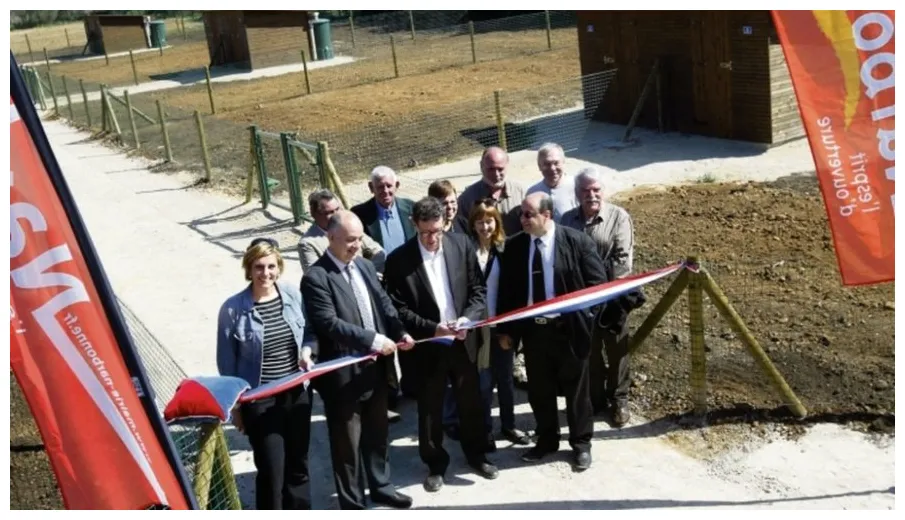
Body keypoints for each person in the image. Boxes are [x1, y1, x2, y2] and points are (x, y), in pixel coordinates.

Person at [383, 197, 500, 493]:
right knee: (430, 410)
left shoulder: (461, 246)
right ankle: (435, 463)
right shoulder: (399, 260)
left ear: (445, 224)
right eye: (424, 233)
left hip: (463, 342)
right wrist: (432, 328)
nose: (431, 239)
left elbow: (477, 291)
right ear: (414, 226)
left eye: (436, 231)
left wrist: (467, 319)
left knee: (470, 403)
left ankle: (476, 455)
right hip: (428, 348)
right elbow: (398, 309)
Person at [300, 211, 415, 510]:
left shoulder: (363, 266)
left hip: (376, 370)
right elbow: (327, 322)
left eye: (359, 239)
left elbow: (384, 303)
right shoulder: (316, 277)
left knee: (378, 434)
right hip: (343, 377)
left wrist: (399, 330)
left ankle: (381, 486)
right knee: (346, 446)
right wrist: (372, 339)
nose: (356, 245)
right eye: (350, 240)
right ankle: (352, 504)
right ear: (331, 237)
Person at [496, 193, 610, 471]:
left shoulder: (577, 242)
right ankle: (546, 440)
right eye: (521, 213)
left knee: (577, 392)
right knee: (540, 391)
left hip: (568, 331)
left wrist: (586, 321)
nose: (522, 219)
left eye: (528, 214)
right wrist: (506, 330)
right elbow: (508, 293)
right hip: (535, 334)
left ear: (546, 215)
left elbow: (598, 287)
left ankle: (581, 444)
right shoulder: (515, 247)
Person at [216, 237, 317, 510]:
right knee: (273, 471)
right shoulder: (233, 309)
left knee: (298, 466)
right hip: (261, 401)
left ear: (279, 267)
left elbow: (309, 332)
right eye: (259, 267)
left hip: (297, 394)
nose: (266, 273)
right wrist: (236, 408)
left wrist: (307, 351)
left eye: (271, 266)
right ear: (249, 269)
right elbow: (227, 365)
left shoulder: (292, 296)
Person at [561, 167, 641, 426]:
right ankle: (595, 398)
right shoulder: (566, 220)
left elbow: (621, 261)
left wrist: (602, 293)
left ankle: (619, 398)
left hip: (614, 298)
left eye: (596, 189)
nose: (591, 195)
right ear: (576, 193)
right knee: (589, 349)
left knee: (618, 349)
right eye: (585, 190)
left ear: (602, 191)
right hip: (581, 300)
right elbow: (563, 259)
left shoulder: (619, 218)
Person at [350, 166, 418, 409]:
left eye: (389, 186)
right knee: (385, 337)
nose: (385, 191)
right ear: (371, 188)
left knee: (409, 333)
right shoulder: (359, 215)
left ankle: (412, 383)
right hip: (377, 286)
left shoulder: (411, 208)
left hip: (408, 285)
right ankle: (390, 392)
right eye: (380, 187)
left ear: (397, 186)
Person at [468, 199, 532, 449]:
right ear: (473, 224)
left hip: (501, 326)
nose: (485, 226)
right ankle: (484, 430)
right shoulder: (466, 251)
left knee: (505, 380)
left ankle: (509, 425)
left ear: (497, 223)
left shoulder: (505, 251)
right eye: (480, 221)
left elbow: (514, 293)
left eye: (489, 221)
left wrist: (510, 331)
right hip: (477, 330)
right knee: (483, 382)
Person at [297, 189, 386, 275]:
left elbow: (378, 252)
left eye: (338, 209)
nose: (337, 215)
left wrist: (367, 274)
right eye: (330, 212)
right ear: (314, 214)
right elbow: (315, 276)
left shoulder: (349, 227)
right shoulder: (308, 243)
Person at [456, 146, 526, 236]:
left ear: (507, 165)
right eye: (491, 169)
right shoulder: (467, 199)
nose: (496, 174)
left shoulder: (521, 193)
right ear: (481, 166)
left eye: (500, 169)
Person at [525, 143, 579, 221]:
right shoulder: (533, 193)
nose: (552, 168)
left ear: (563, 162)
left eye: (556, 163)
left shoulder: (577, 186)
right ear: (539, 166)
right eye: (547, 164)